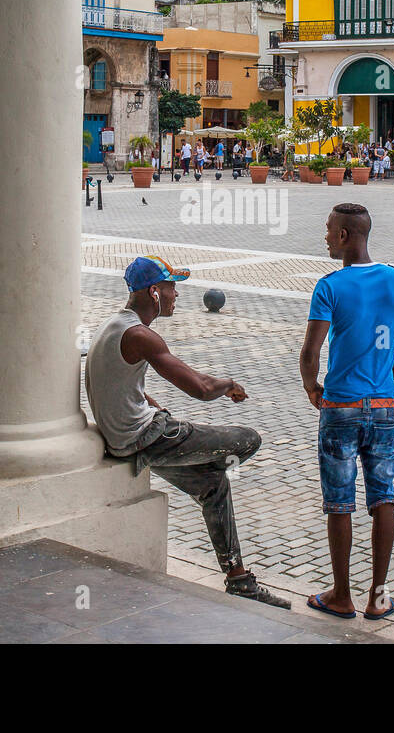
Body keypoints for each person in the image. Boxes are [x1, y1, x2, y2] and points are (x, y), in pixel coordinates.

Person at [84, 255, 289, 608]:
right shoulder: (141, 335)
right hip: (148, 438)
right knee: (247, 439)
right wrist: (229, 384)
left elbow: (116, 380)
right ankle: (208, 461)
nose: (176, 294)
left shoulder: (114, 326)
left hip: (126, 441)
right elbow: (200, 387)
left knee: (214, 485)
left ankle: (239, 579)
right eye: (171, 287)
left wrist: (150, 404)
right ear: (154, 293)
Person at [299, 203, 394, 620]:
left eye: (328, 230)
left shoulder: (330, 286)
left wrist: (311, 387)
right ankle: (378, 596)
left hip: (340, 406)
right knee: (383, 499)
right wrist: (387, 376)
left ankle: (341, 594)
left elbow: (310, 351)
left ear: (343, 236)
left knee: (340, 502)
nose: (324, 237)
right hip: (383, 407)